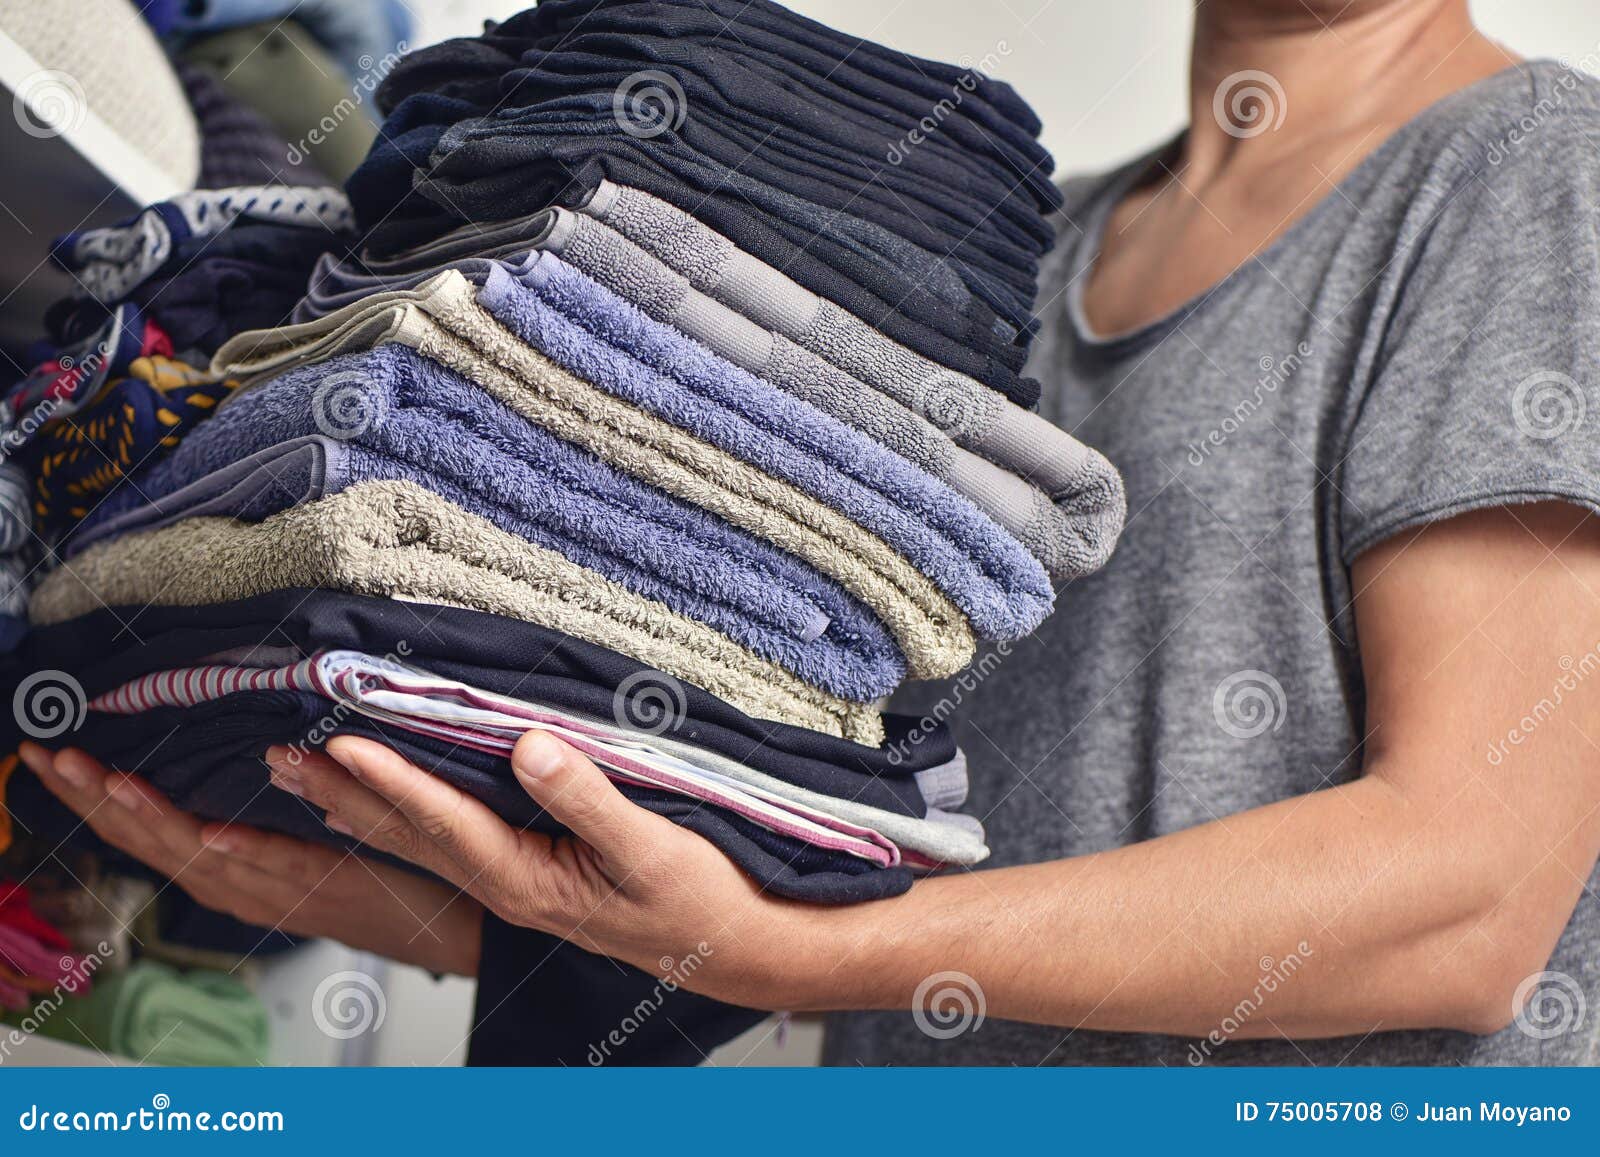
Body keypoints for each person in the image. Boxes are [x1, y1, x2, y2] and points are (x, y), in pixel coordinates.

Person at [19, 0, 1600, 1065]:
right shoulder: (994, 267)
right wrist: (459, 883)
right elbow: (836, 854)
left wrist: (796, 955)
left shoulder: (1531, 166)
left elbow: (1466, 894)